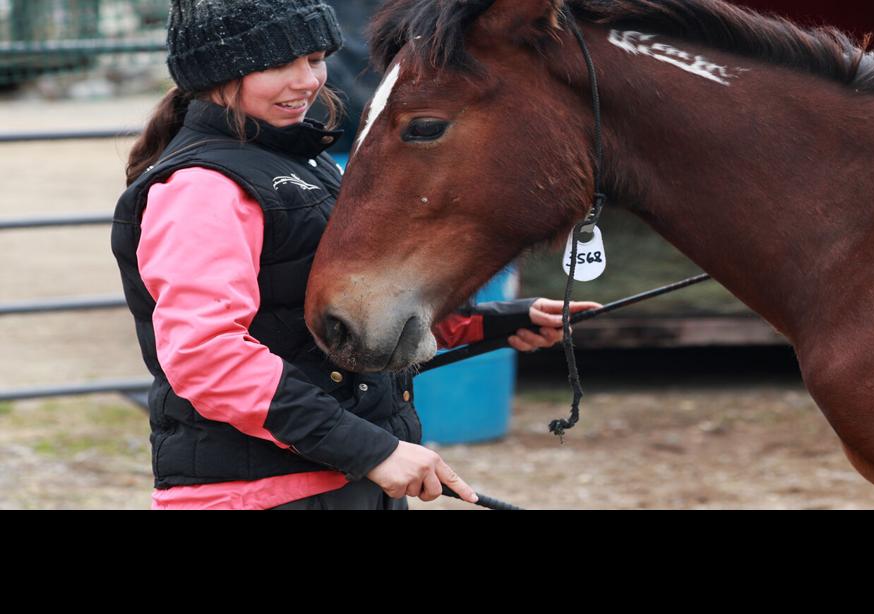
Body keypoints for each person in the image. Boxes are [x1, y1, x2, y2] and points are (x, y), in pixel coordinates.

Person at [111, 0, 595, 510]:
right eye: (280, 64)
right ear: (216, 72)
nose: (307, 81)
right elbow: (206, 356)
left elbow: (343, 301)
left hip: (345, 480)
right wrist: (372, 450)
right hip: (262, 493)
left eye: (316, 57)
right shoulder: (203, 187)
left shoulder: (302, 160)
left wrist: (492, 323)